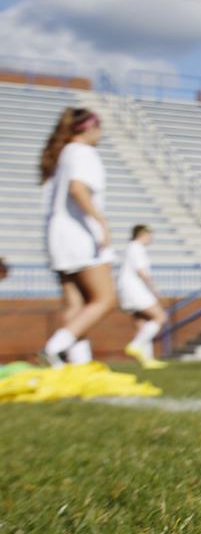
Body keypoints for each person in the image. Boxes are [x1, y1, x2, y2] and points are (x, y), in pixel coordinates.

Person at [38, 107, 116, 367]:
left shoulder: (63, 154)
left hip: (57, 234)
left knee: (75, 302)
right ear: (89, 128)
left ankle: (78, 365)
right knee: (104, 299)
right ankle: (55, 348)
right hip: (79, 234)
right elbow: (78, 188)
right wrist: (101, 221)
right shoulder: (84, 153)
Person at [118, 224, 167, 369]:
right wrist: (154, 289)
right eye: (149, 234)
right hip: (134, 288)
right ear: (142, 234)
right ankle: (135, 345)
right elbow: (141, 271)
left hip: (127, 288)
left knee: (143, 323)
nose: (151, 238)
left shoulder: (132, 247)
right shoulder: (136, 247)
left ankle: (147, 360)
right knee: (160, 317)